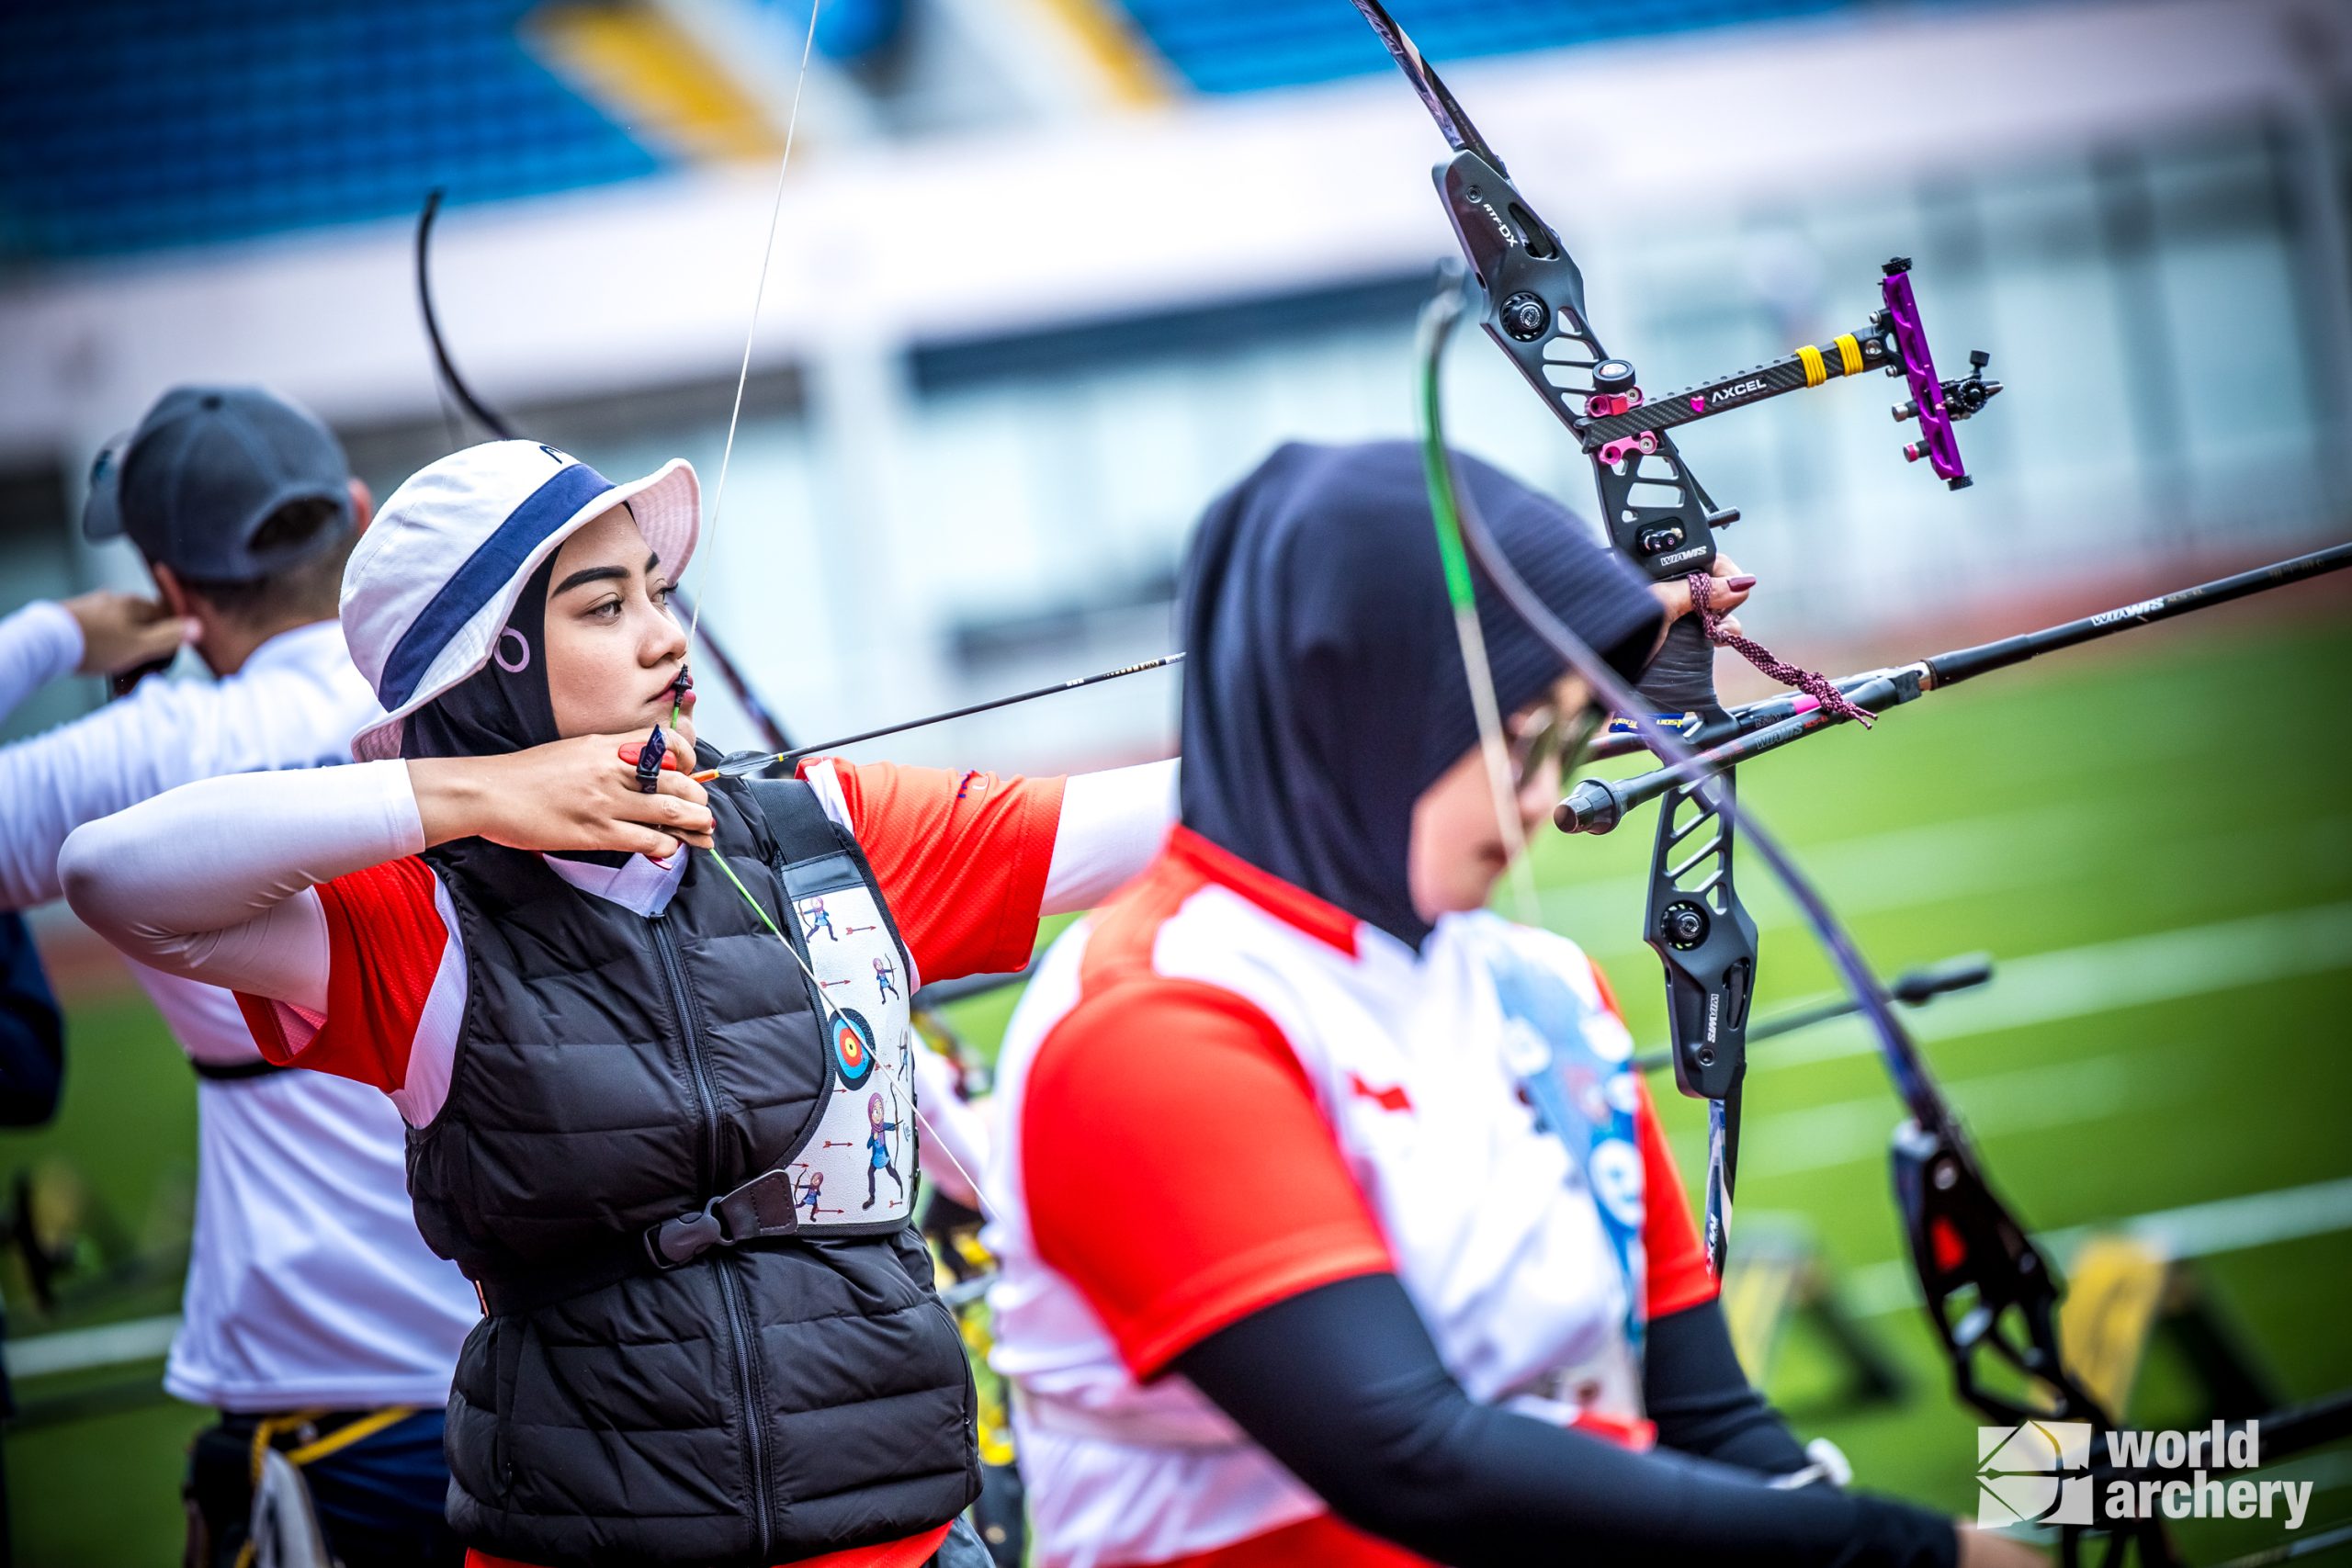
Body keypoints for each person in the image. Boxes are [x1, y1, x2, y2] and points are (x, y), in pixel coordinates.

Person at [61, 438, 1177, 1568]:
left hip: (908, 1541)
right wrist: (485, 794)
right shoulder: (420, 920)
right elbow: (110, 876)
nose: (668, 637)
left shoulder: (822, 826)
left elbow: (1191, 814)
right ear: (487, 668)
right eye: (604, 607)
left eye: (663, 592)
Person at [982, 442, 2041, 1568]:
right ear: (1362, 702)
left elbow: (1707, 1418)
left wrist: (1835, 1523)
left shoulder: (1538, 985)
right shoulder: (1150, 1023)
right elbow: (1412, 1456)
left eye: (1571, 737)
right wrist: (1909, 1556)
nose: (1543, 798)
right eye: (1510, 740)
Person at [0, 387, 479, 1567]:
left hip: (333, 1396)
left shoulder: (147, 751)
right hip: (553, 1363)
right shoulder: (478, 691)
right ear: (357, 517)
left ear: (170, 593)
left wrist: (56, 634)